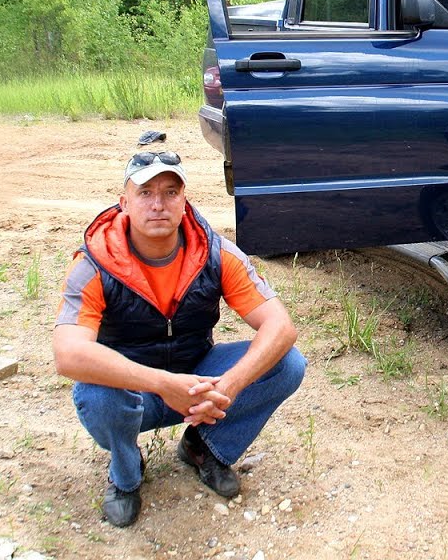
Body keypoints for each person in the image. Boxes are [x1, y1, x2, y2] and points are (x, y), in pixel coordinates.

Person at [53, 151, 305, 527]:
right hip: (133, 392)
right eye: (145, 193)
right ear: (124, 203)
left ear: (184, 201)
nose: (158, 204)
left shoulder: (215, 254)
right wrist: (163, 384)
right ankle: (125, 475)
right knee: (97, 394)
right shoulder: (94, 263)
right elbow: (68, 354)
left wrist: (231, 385)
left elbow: (281, 326)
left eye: (170, 192)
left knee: (287, 363)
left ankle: (204, 447)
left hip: (198, 380)